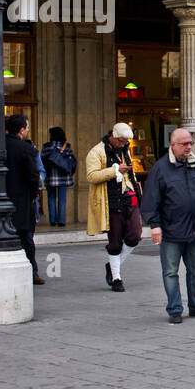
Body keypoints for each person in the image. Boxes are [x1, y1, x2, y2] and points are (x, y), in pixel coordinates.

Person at [141, 127, 195, 323]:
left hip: (194, 229)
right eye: (184, 144)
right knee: (170, 271)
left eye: (190, 143)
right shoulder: (160, 168)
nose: (188, 147)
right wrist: (154, 225)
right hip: (171, 230)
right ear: (173, 145)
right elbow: (151, 199)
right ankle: (175, 309)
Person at [0, 113, 43, 285]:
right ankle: (31, 271)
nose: (27, 130)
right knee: (26, 238)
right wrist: (33, 193)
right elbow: (33, 175)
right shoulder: (26, 148)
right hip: (21, 202)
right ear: (21, 130)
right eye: (27, 128)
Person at [86, 123, 142, 293]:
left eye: (126, 142)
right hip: (110, 201)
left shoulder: (125, 150)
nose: (124, 144)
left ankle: (111, 266)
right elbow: (91, 176)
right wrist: (114, 170)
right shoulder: (96, 152)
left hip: (129, 198)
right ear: (113, 136)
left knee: (135, 236)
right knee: (115, 241)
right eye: (121, 141)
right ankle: (116, 278)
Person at [41, 127, 76, 228]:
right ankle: (61, 221)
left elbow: (42, 160)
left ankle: (52, 220)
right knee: (62, 199)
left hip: (50, 177)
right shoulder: (66, 146)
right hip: (63, 177)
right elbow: (71, 161)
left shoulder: (46, 146)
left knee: (51, 198)